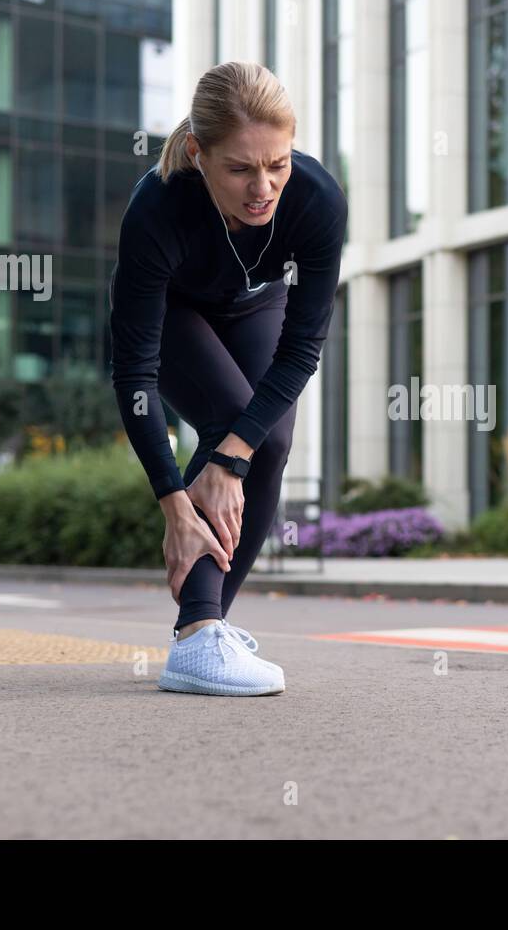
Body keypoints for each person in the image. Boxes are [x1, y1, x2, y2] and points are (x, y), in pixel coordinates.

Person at [108, 62, 348, 697]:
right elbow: (134, 371)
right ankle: (198, 634)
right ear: (198, 153)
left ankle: (206, 632)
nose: (263, 187)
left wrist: (229, 459)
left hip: (255, 303)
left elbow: (303, 347)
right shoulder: (157, 209)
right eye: (240, 169)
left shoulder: (319, 202)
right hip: (179, 312)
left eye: (277, 164)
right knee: (228, 420)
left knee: (263, 442)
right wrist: (172, 502)